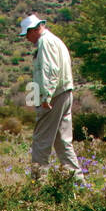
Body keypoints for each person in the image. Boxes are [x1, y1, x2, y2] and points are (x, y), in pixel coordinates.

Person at [20, 14, 84, 183]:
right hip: (65, 93)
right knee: (63, 142)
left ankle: (37, 185)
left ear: (34, 30)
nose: (26, 38)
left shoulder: (45, 42)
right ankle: (78, 184)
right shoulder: (55, 40)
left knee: (41, 141)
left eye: (27, 34)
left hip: (54, 96)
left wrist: (46, 96)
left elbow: (49, 71)